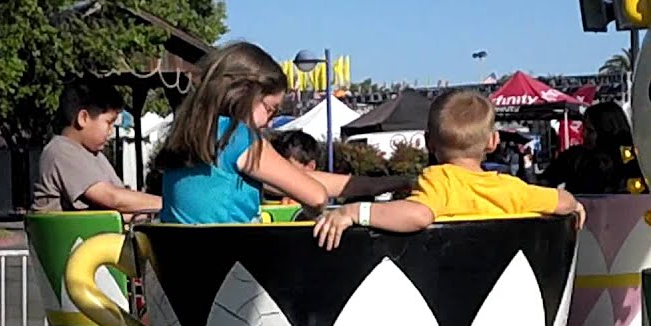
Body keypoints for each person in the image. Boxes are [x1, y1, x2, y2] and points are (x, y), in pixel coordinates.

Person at [156, 41, 412, 224]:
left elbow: (299, 180)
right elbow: (315, 194)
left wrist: (387, 183)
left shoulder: (189, 137)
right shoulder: (239, 137)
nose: (270, 121)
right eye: (270, 109)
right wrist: (322, 215)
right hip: (233, 275)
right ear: (244, 93)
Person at [312, 89, 586, 250]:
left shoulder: (438, 180)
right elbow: (561, 201)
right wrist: (574, 204)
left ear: (428, 142)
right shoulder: (511, 187)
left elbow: (418, 214)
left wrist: (353, 211)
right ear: (493, 141)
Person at [31, 79, 162, 217]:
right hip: (70, 236)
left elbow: (120, 201)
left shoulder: (95, 155)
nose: (111, 131)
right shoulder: (60, 151)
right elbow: (113, 198)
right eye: (109, 122)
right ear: (83, 118)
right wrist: (166, 204)